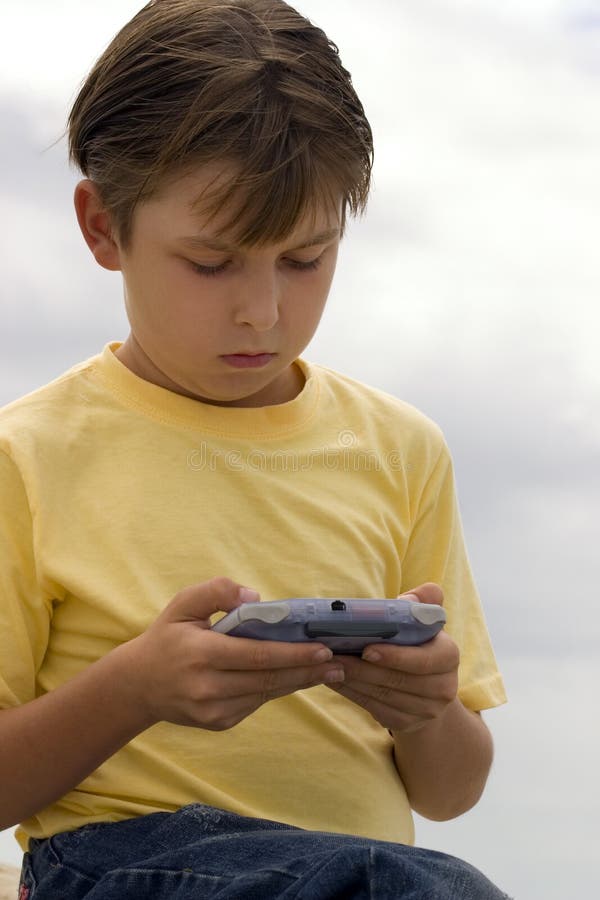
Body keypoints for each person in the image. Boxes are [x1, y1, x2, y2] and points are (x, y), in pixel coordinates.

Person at [0, 1, 509, 897]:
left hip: (361, 871)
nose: (262, 312)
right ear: (102, 228)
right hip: (118, 862)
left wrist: (425, 709)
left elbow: (451, 789)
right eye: (211, 263)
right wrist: (134, 690)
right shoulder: (28, 456)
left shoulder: (399, 450)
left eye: (306, 259)